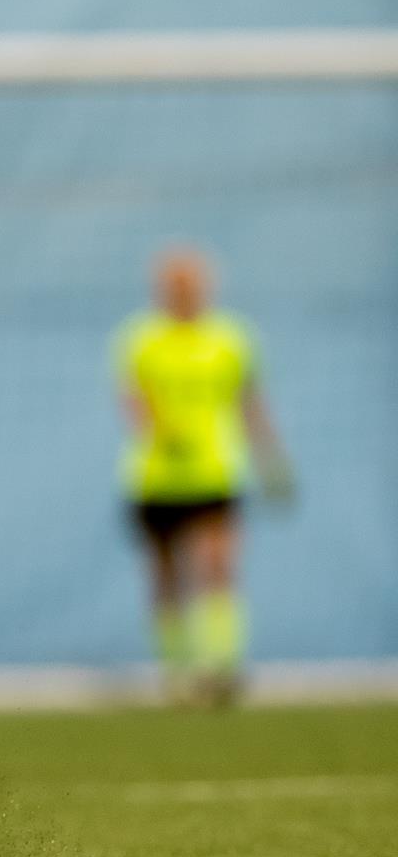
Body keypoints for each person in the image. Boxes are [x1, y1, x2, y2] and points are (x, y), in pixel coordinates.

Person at [115, 246, 291, 705]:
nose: (183, 292)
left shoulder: (231, 339)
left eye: (191, 284)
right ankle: (177, 672)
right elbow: (133, 400)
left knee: (218, 566)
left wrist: (271, 460)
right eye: (174, 284)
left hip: (215, 473)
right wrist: (161, 431)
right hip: (156, 477)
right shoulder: (141, 339)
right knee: (166, 575)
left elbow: (249, 403)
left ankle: (220, 667)